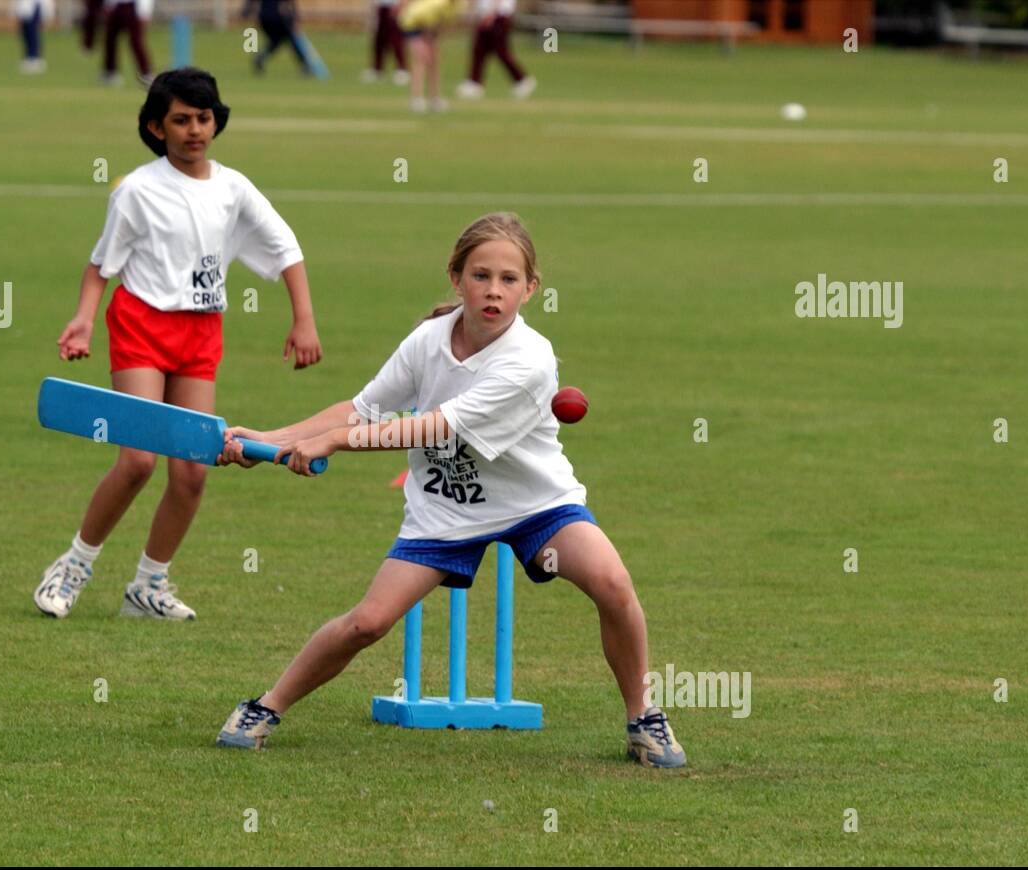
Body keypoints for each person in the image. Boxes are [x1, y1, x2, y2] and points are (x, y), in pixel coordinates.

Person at [214, 212, 687, 769]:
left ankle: (643, 719)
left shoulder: (530, 361)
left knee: (612, 581)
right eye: (480, 275)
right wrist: (269, 439)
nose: (493, 291)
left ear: (531, 288)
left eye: (509, 280)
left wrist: (337, 442)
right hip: (447, 509)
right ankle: (264, 708)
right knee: (368, 622)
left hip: (535, 505)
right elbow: (365, 408)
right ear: (456, 277)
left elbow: (435, 426)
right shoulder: (428, 341)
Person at [34, 68, 324, 622]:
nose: (195, 129)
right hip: (142, 324)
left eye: (204, 117)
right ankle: (74, 564)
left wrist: (303, 319)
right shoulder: (138, 191)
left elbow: (285, 246)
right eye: (181, 119)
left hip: (200, 332)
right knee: (139, 459)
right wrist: (82, 320)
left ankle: (149, 585)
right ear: (155, 127)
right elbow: (102, 265)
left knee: (192, 470)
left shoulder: (233, 187)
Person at [456, 0, 536, 100]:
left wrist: (491, 14)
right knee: (479, 51)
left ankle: (522, 80)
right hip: (490, 15)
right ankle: (474, 83)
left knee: (501, 51)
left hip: (497, 16)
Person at [396, 0, 459, 113]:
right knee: (421, 59)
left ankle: (435, 99)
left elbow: (443, 23)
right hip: (412, 24)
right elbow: (426, 23)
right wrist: (428, 38)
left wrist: (436, 36)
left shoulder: (457, 5)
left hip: (429, 27)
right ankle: (416, 99)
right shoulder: (438, 4)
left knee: (434, 61)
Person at [243, 0, 312, 75]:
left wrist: (246, 12)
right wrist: (294, 20)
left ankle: (260, 58)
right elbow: (290, 4)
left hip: (264, 19)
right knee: (290, 38)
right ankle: (305, 65)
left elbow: (251, 2)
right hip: (277, 17)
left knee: (276, 40)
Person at [102, 0, 154, 87]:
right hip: (116, 6)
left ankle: (146, 73)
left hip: (133, 7)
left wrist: (145, 12)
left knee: (136, 42)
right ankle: (110, 71)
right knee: (110, 40)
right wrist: (108, 4)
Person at [362, 0, 410, 85]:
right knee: (379, 40)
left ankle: (401, 69)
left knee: (396, 40)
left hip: (394, 6)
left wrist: (400, 5)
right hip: (381, 7)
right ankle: (377, 68)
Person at [17, 0, 53, 74]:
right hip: (24, 6)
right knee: (26, 34)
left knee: (33, 33)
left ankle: (35, 58)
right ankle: (28, 57)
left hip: (35, 6)